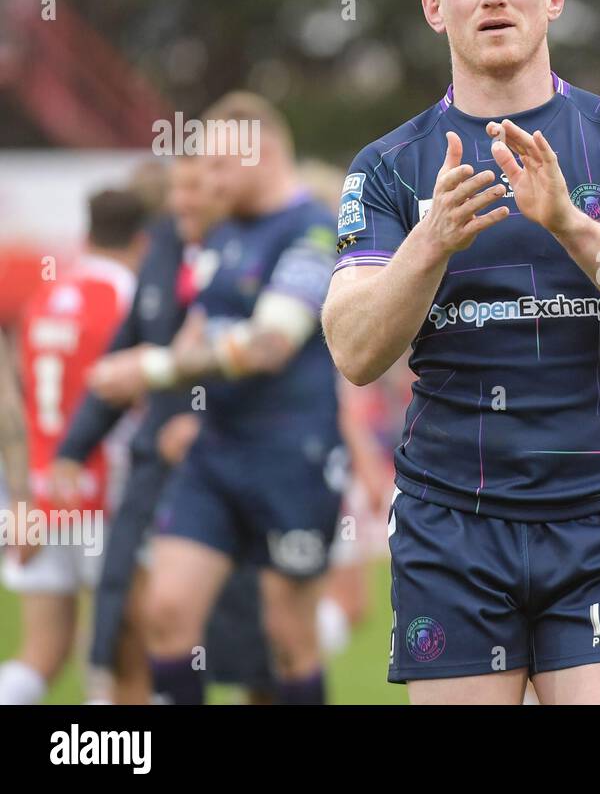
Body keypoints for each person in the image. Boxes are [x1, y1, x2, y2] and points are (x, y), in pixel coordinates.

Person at [322, 0, 600, 704]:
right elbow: (355, 351)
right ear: (436, 9)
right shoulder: (390, 166)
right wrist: (429, 242)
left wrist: (570, 223)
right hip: (450, 525)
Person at [90, 92, 344, 704]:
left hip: (292, 461)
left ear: (257, 152)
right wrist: (159, 391)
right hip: (215, 457)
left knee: (288, 638)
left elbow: (268, 345)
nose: (208, 181)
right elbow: (193, 340)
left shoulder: (314, 230)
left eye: (219, 167)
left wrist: (147, 368)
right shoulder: (224, 235)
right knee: (166, 612)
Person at [69, 152, 274, 703]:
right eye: (174, 191)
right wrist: (72, 449)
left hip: (245, 474)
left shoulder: (262, 246)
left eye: (191, 189)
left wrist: (203, 426)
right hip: (154, 473)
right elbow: (127, 354)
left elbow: (275, 358)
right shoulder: (160, 250)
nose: (179, 202)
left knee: (262, 651)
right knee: (139, 627)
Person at [0, 190, 148, 705]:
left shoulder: (44, 295)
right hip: (108, 493)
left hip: (39, 497)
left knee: (42, 649)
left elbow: (12, 404)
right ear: (144, 239)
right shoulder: (132, 294)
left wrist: (18, 497)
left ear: (87, 235)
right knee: (123, 657)